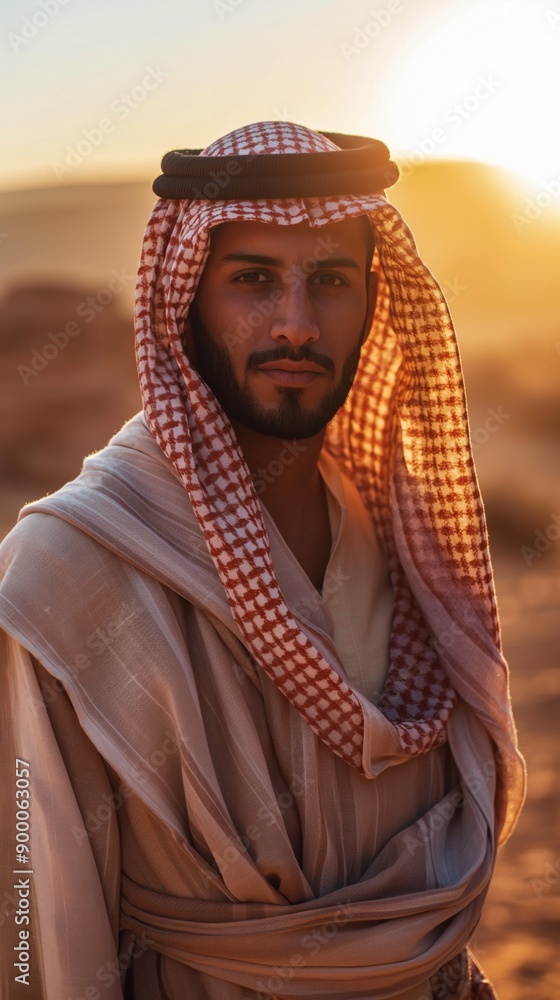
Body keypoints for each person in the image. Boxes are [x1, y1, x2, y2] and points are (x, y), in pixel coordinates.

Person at [0, 121, 525, 1000]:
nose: (295, 323)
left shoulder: (407, 551)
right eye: (252, 280)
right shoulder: (63, 573)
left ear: (372, 301)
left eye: (329, 282)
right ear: (185, 302)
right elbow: (35, 929)